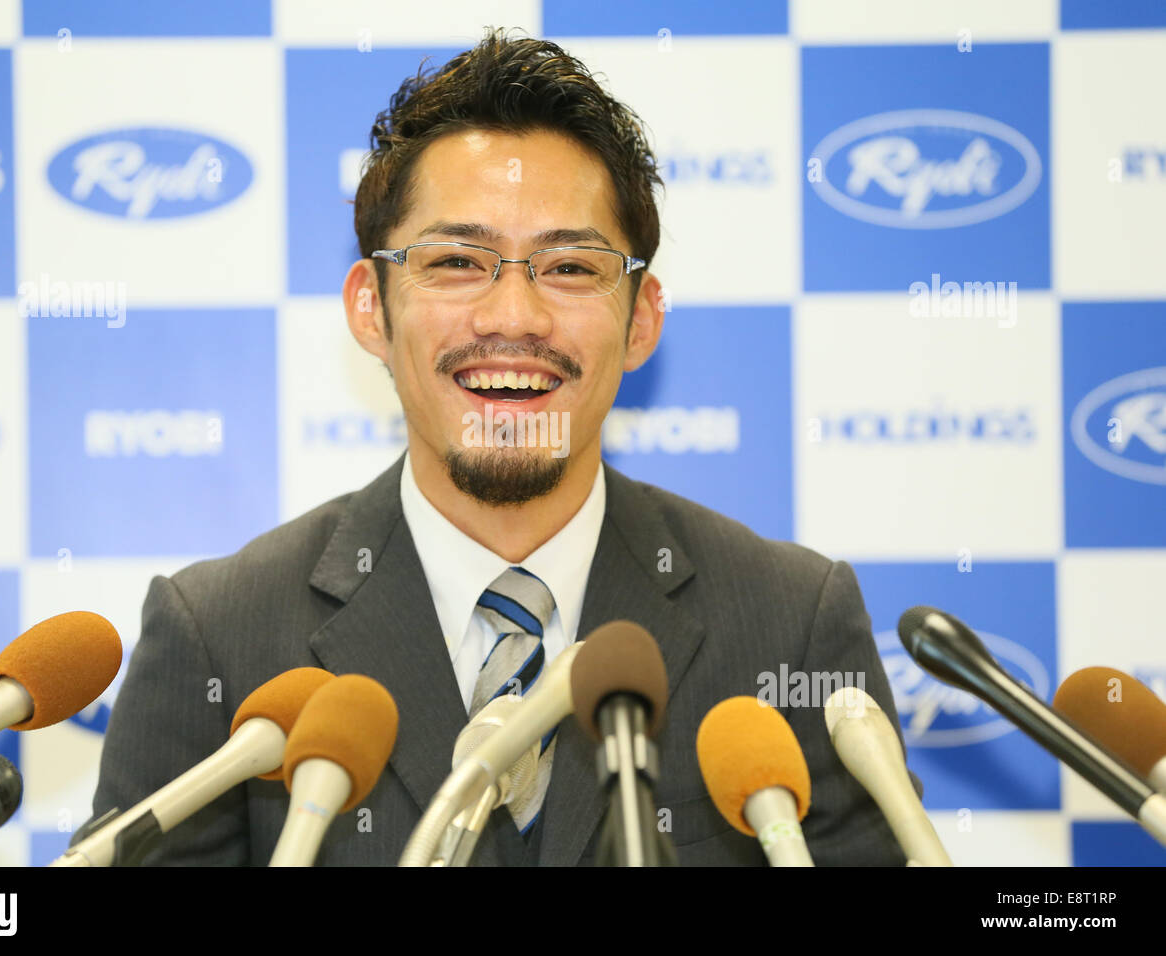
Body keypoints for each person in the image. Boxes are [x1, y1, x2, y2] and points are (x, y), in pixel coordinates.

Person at [84, 27, 917, 866]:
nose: (513, 317)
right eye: (455, 260)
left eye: (570, 268)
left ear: (643, 320)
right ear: (371, 307)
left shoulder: (792, 625)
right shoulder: (219, 638)